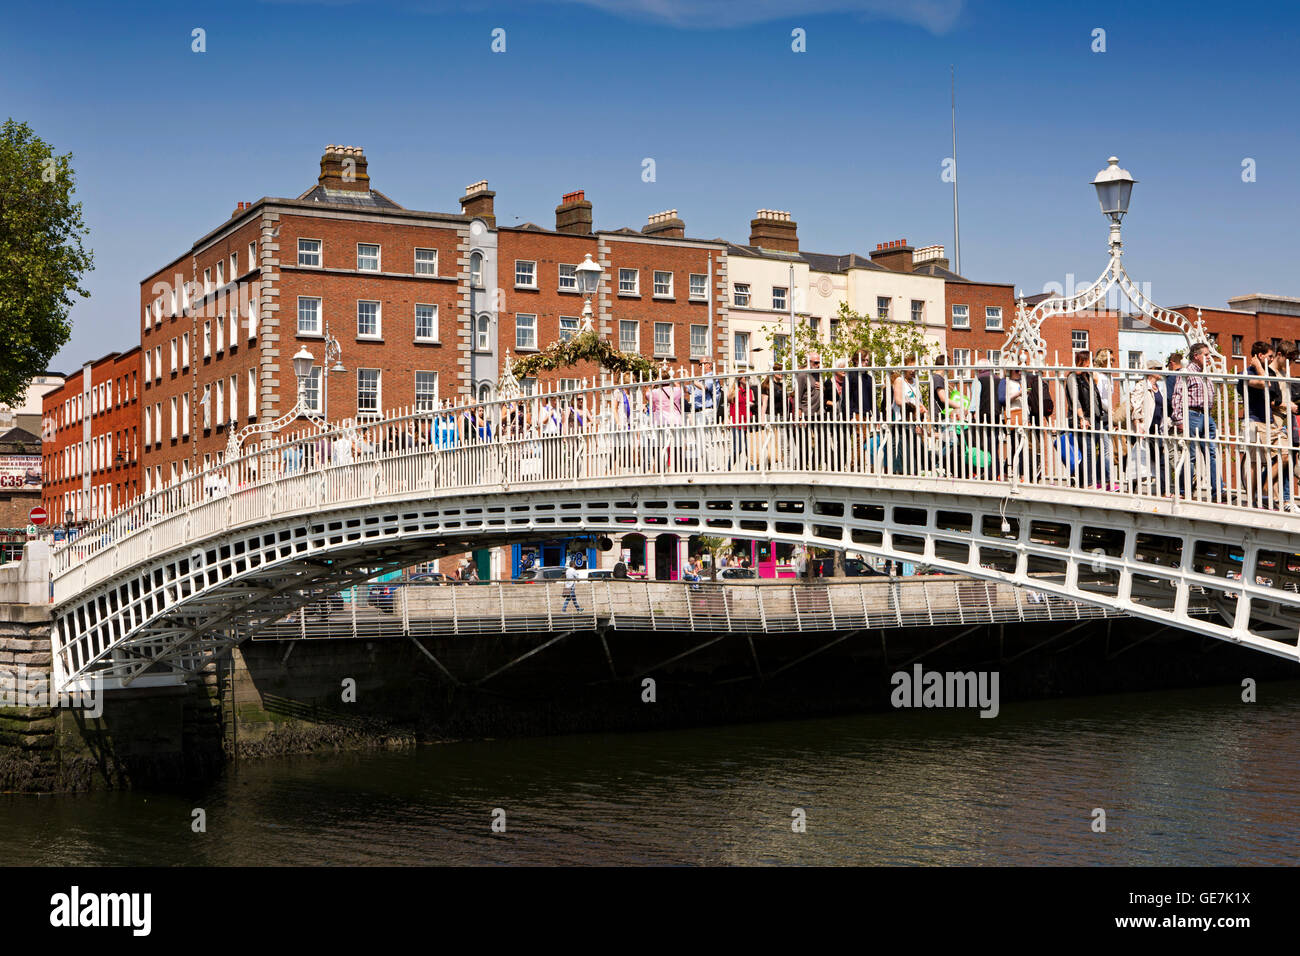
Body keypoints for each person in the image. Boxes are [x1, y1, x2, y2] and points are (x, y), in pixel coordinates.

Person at [1170, 342, 1220, 502]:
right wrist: (1178, 419)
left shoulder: (1204, 373)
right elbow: (1177, 395)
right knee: (1189, 454)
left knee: (1211, 453)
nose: (1209, 358)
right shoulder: (1187, 372)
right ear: (1196, 356)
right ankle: (1185, 490)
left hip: (1207, 415)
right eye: (1206, 355)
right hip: (1192, 414)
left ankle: (1217, 490)